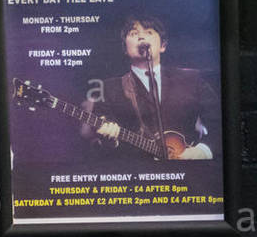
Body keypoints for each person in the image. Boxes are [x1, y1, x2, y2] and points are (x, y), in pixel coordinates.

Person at [82, 13, 220, 160]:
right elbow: (101, 143)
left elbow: (220, 122)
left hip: (188, 170)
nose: (141, 37)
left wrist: (202, 151)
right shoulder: (108, 88)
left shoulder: (191, 79)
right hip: (137, 170)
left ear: (163, 46)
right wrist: (110, 140)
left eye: (149, 32)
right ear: (125, 49)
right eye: (134, 33)